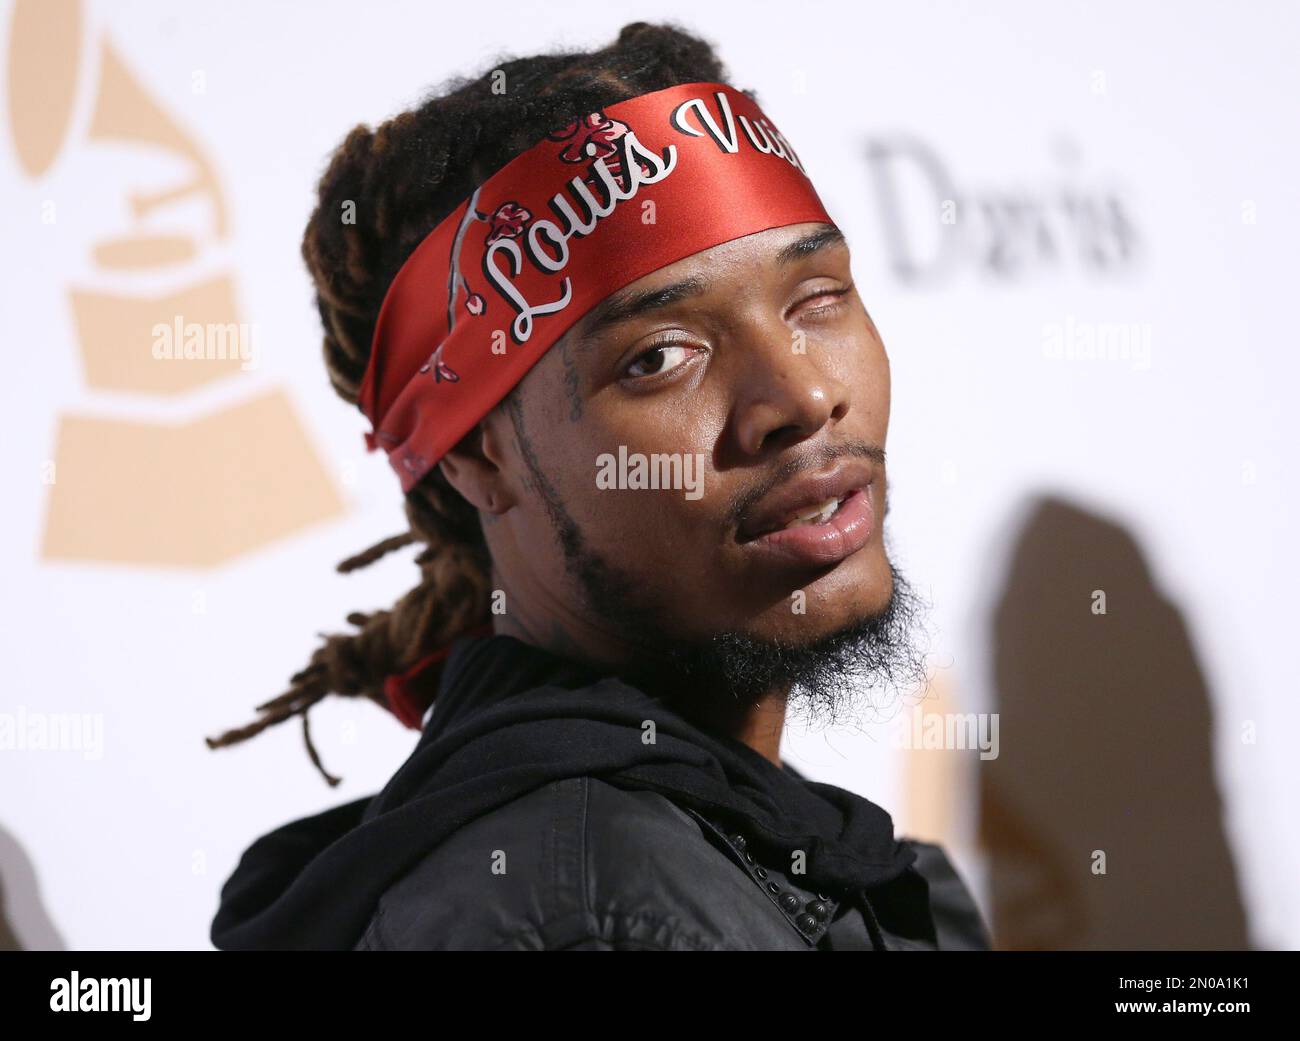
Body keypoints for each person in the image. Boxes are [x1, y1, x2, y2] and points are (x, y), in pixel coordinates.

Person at [205, 20, 991, 952]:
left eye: (816, 298)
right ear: (479, 459)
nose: (806, 394)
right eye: (661, 355)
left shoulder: (707, 848)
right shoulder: (593, 908)